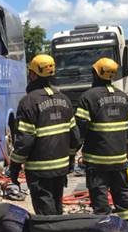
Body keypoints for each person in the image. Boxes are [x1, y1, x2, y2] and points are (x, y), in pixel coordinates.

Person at [8, 54, 80, 215]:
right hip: (61, 168)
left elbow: (24, 141)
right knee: (57, 206)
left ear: (33, 74)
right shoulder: (65, 100)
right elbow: (75, 137)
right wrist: (69, 161)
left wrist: (14, 166)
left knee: (45, 212)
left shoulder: (28, 102)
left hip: (39, 170)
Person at [75, 58, 128, 232]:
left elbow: (80, 129)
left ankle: (104, 228)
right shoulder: (124, 97)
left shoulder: (88, 98)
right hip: (119, 157)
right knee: (122, 190)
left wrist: (73, 151)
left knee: (99, 192)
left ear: (95, 73)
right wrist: (126, 147)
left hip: (96, 158)